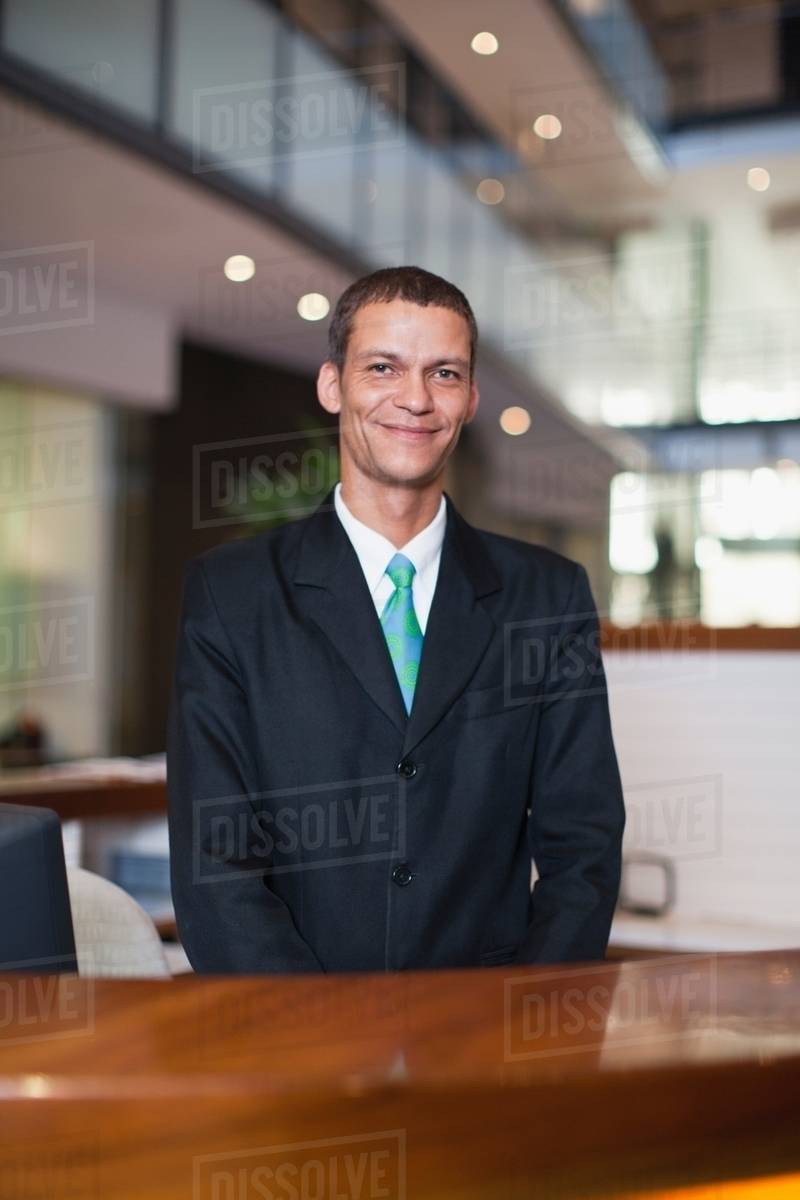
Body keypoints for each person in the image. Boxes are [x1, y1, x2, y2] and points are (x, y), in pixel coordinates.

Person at [167, 265, 625, 973]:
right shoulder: (233, 595)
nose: (414, 398)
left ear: (470, 399)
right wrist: (314, 1040)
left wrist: (529, 1031)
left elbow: (583, 846)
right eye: (384, 367)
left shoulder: (547, 597)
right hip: (295, 1043)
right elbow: (215, 859)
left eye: (444, 374)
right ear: (332, 384)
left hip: (485, 1045)